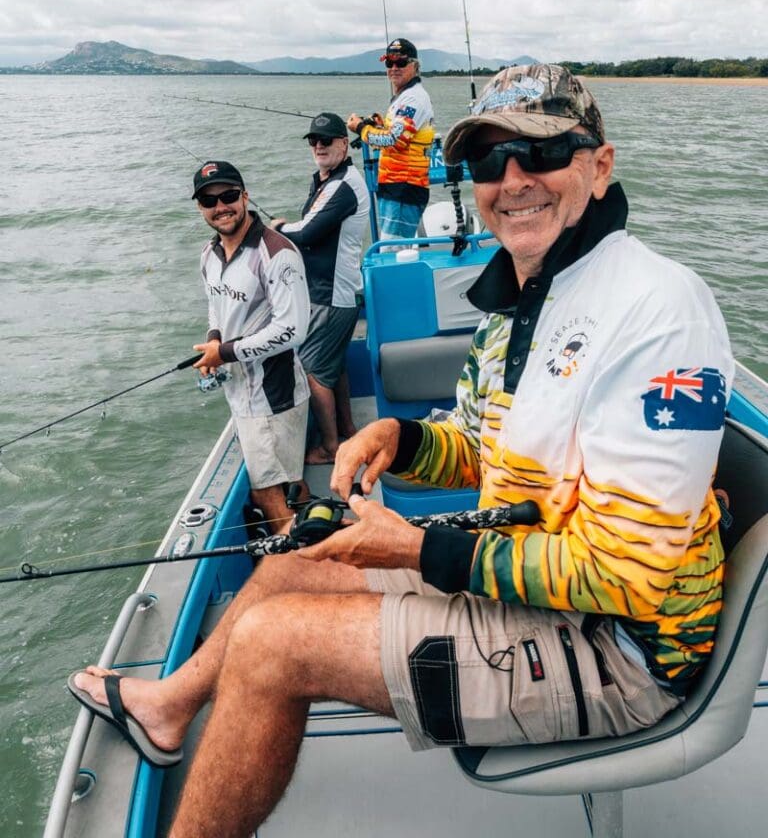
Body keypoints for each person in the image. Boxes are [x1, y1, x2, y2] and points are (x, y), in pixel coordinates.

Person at [69, 66, 733, 838]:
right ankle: (169, 706)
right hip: (537, 589)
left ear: (600, 164)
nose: (512, 180)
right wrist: (399, 438)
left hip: (619, 651)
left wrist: (419, 549)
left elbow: (628, 574)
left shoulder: (658, 309)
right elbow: (481, 447)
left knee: (271, 644)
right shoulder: (522, 296)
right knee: (295, 559)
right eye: (488, 162)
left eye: (541, 153)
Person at [191, 160, 311, 533]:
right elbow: (216, 305)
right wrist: (214, 340)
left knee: (267, 494)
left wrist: (224, 353)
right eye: (210, 201)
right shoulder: (209, 254)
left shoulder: (277, 253)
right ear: (200, 207)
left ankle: (299, 566)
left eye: (228, 196)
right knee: (289, 480)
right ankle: (318, 539)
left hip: (273, 396)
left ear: (245, 196)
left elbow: (293, 330)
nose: (221, 207)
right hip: (240, 393)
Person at [270, 113, 370, 464]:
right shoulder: (331, 180)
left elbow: (308, 232)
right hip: (335, 292)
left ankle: (330, 448)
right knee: (334, 365)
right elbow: (312, 225)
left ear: (344, 143)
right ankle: (347, 430)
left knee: (313, 372)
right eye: (313, 141)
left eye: (326, 140)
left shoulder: (343, 185)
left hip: (331, 295)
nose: (318, 146)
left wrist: (275, 229)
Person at [347, 37, 435, 242]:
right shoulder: (404, 97)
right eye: (389, 63)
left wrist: (360, 127)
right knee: (395, 251)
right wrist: (380, 126)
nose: (394, 68)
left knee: (393, 253)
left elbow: (394, 141)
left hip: (404, 189)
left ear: (414, 65)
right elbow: (399, 135)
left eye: (401, 63)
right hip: (395, 187)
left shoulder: (413, 98)